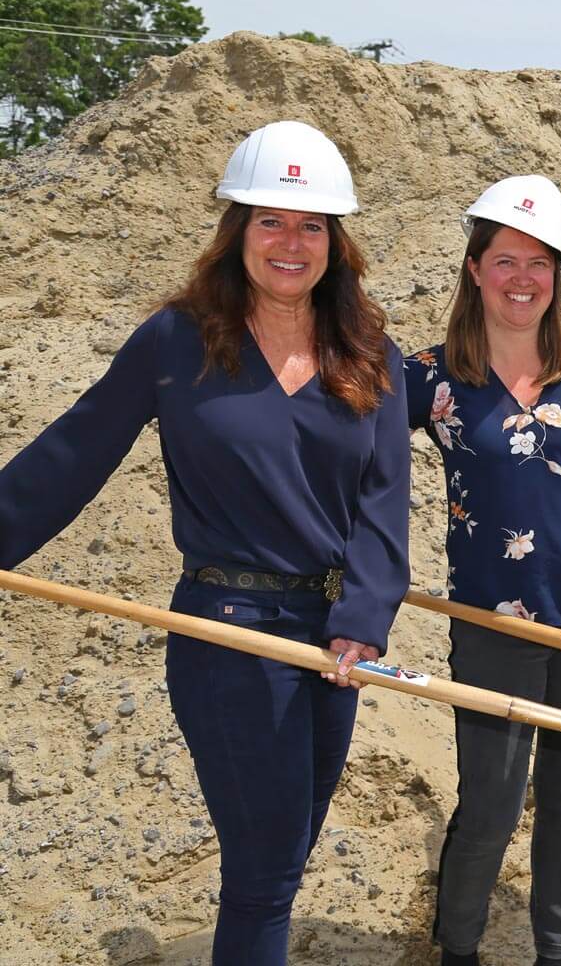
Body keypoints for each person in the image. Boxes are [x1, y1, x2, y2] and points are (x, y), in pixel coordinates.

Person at [0, 120, 409, 965]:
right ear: (237, 230)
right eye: (270, 221)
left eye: (311, 225)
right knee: (263, 875)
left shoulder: (369, 351)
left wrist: (365, 618)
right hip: (226, 633)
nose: (290, 242)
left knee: (282, 865)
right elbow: (72, 454)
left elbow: (383, 500)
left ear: (336, 240)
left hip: (331, 640)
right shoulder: (176, 340)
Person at [405, 175, 561, 966]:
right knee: (492, 805)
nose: (522, 278)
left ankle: (555, 953)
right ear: (475, 269)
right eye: (505, 260)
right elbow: (353, 453)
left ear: (558, 274)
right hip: (490, 621)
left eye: (540, 262)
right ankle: (459, 951)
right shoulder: (431, 377)